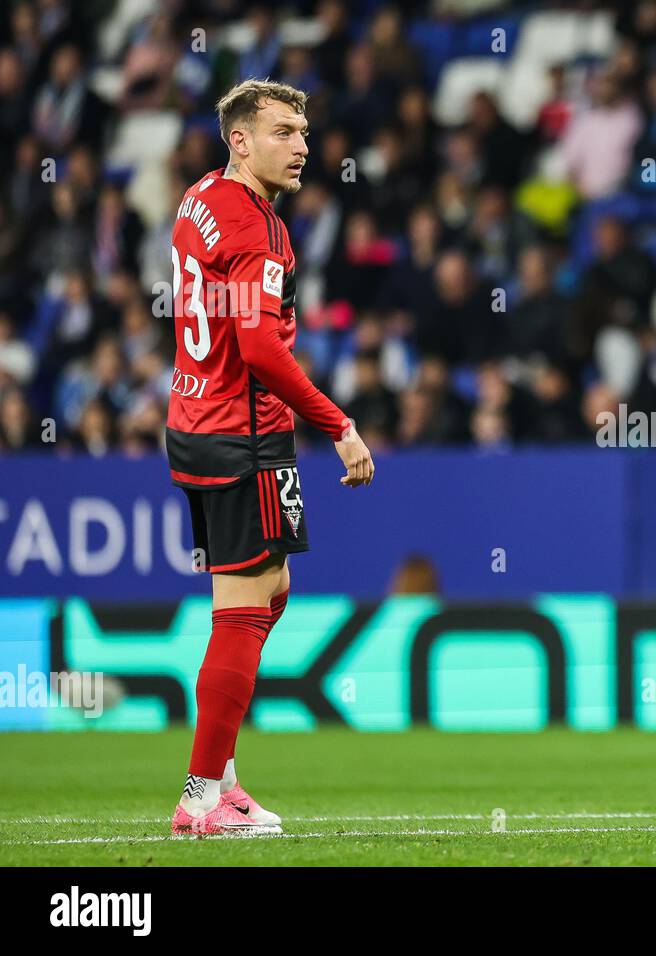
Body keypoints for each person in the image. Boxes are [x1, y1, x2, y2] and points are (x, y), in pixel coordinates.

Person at [166, 79, 375, 836]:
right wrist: (338, 424)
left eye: (306, 133)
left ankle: (220, 773)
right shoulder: (260, 230)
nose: (303, 146)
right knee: (245, 608)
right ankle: (200, 797)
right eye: (284, 131)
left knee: (268, 588)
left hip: (194, 418)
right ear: (240, 140)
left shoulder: (199, 197)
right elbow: (258, 348)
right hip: (242, 433)